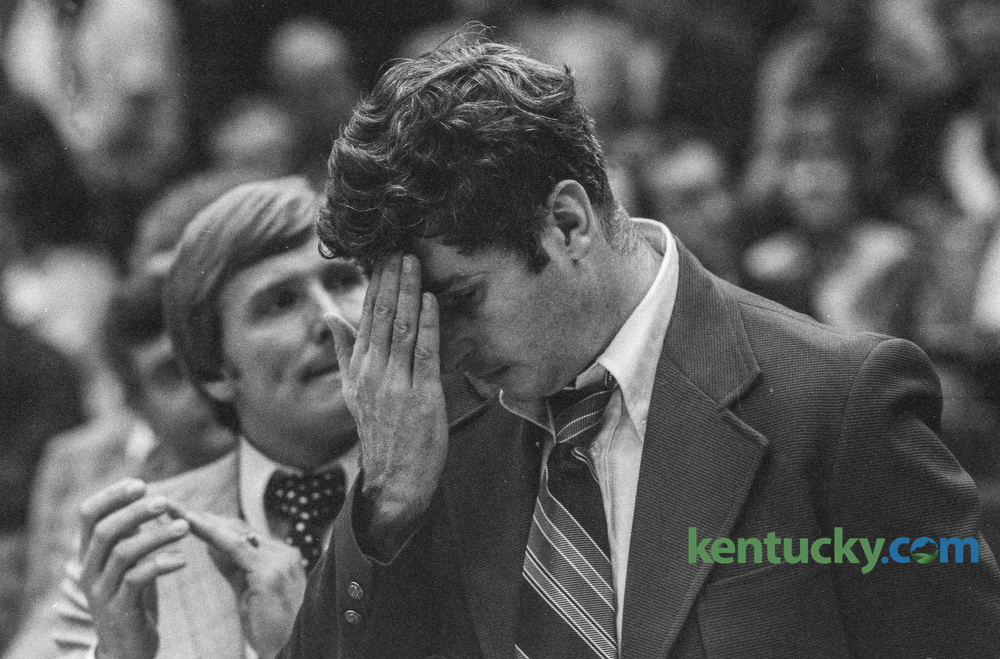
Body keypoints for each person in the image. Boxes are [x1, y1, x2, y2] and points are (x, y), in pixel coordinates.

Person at [282, 42, 1000, 658]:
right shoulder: (428, 439)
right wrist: (383, 508)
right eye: (415, 314)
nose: (442, 351)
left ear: (566, 223)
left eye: (463, 298)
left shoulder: (839, 402)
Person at [51, 177, 365, 659]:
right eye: (281, 301)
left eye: (342, 281)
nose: (330, 318)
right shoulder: (127, 551)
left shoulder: (471, 486)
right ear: (213, 370)